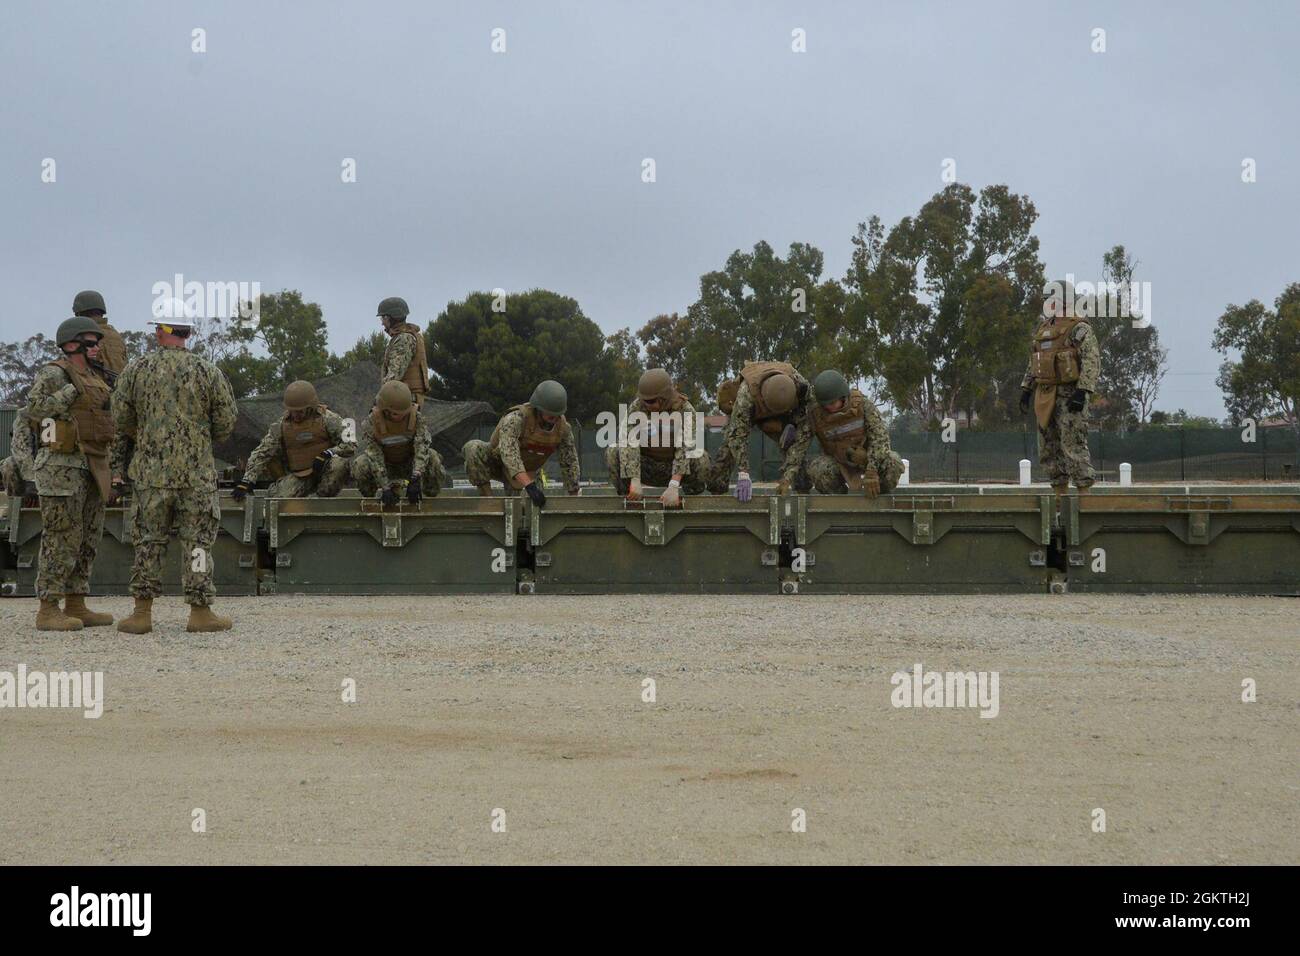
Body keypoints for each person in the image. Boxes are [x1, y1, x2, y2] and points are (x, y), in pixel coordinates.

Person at [112, 306, 238, 633]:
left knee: (148, 542)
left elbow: (121, 416)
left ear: (160, 331)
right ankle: (200, 613)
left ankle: (141, 613)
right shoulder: (207, 371)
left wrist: (145, 436)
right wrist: (199, 441)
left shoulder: (137, 369)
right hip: (196, 475)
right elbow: (225, 420)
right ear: (189, 333)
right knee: (197, 542)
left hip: (150, 474)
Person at [24, 316, 120, 630]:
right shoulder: (55, 373)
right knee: (61, 538)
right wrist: (67, 395)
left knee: (88, 538)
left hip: (93, 466)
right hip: (61, 468)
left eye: (97, 342)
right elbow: (35, 410)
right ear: (71, 344)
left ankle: (76, 602)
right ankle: (48, 608)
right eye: (91, 343)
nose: (97, 348)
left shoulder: (97, 376)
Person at [1019, 280, 1100, 495]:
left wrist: (1083, 391)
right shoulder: (1044, 329)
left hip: (1070, 396)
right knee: (1048, 448)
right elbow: (1035, 360)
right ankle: (1059, 498)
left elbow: (1091, 361)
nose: (1047, 303)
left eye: (1051, 298)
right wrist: (1026, 389)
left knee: (1073, 445)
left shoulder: (1079, 328)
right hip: (1045, 396)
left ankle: (1084, 500)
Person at [462, 380, 579, 507]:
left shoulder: (563, 429)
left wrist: (574, 497)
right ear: (538, 409)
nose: (555, 419)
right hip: (497, 462)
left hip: (528, 470)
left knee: (525, 510)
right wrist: (529, 486)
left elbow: (570, 461)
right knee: (473, 448)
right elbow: (509, 454)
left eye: (557, 415)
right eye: (550, 415)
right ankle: (489, 502)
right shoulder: (516, 419)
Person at [708, 361, 813, 500]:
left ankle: (802, 491)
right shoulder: (745, 396)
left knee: (794, 446)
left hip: (787, 417)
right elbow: (737, 437)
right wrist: (743, 473)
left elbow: (804, 435)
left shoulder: (803, 388)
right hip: (755, 411)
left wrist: (788, 477)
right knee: (729, 445)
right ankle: (717, 491)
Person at [605, 368, 709, 507]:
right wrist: (634, 479)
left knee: (701, 458)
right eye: (644, 401)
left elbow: (685, 448)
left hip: (674, 470)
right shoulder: (637, 407)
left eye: (652, 401)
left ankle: (690, 502)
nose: (647, 405)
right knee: (613, 451)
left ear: (664, 397)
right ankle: (629, 498)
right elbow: (628, 441)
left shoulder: (685, 410)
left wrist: (673, 485)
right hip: (646, 467)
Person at [233, 380, 354, 499]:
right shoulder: (281, 425)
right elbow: (262, 451)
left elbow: (351, 445)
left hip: (325, 471)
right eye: (292, 411)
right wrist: (247, 481)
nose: (296, 415)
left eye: (300, 411)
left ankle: (319, 501)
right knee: (276, 500)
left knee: (340, 464)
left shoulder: (329, 418)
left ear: (310, 407)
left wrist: (329, 453)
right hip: (300, 475)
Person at [796, 370, 904, 496]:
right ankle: (840, 501)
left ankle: (878, 495)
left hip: (867, 459)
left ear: (842, 396)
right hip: (838, 462)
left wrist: (872, 470)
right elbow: (799, 445)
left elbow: (880, 438)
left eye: (832, 403)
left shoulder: (863, 405)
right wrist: (788, 476)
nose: (829, 408)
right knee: (818, 469)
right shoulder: (815, 414)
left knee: (893, 462)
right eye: (825, 405)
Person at [351, 381, 445, 503]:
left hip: (409, 465)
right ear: (386, 410)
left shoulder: (417, 418)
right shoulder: (371, 423)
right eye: (397, 414)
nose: (402, 416)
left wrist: (416, 476)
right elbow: (374, 455)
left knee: (433, 457)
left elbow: (422, 447)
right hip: (385, 466)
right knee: (360, 464)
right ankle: (370, 500)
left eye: (405, 413)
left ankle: (430, 498)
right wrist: (385, 488)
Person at [377, 297, 429, 402]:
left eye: (383, 318)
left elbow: (394, 377)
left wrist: (379, 399)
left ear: (390, 318)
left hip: (403, 401)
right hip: (405, 399)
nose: (382, 323)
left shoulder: (404, 339)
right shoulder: (407, 336)